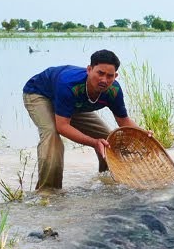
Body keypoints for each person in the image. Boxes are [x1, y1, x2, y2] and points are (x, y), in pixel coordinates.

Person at [22, 49, 140, 190]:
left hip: (71, 104)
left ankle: (108, 181)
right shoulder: (69, 84)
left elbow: (124, 121)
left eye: (110, 76)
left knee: (108, 140)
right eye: (100, 73)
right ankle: (48, 191)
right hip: (40, 94)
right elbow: (63, 127)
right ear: (89, 70)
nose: (104, 80)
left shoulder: (113, 91)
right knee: (52, 134)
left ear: (116, 76)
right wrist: (94, 142)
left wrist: (144, 134)